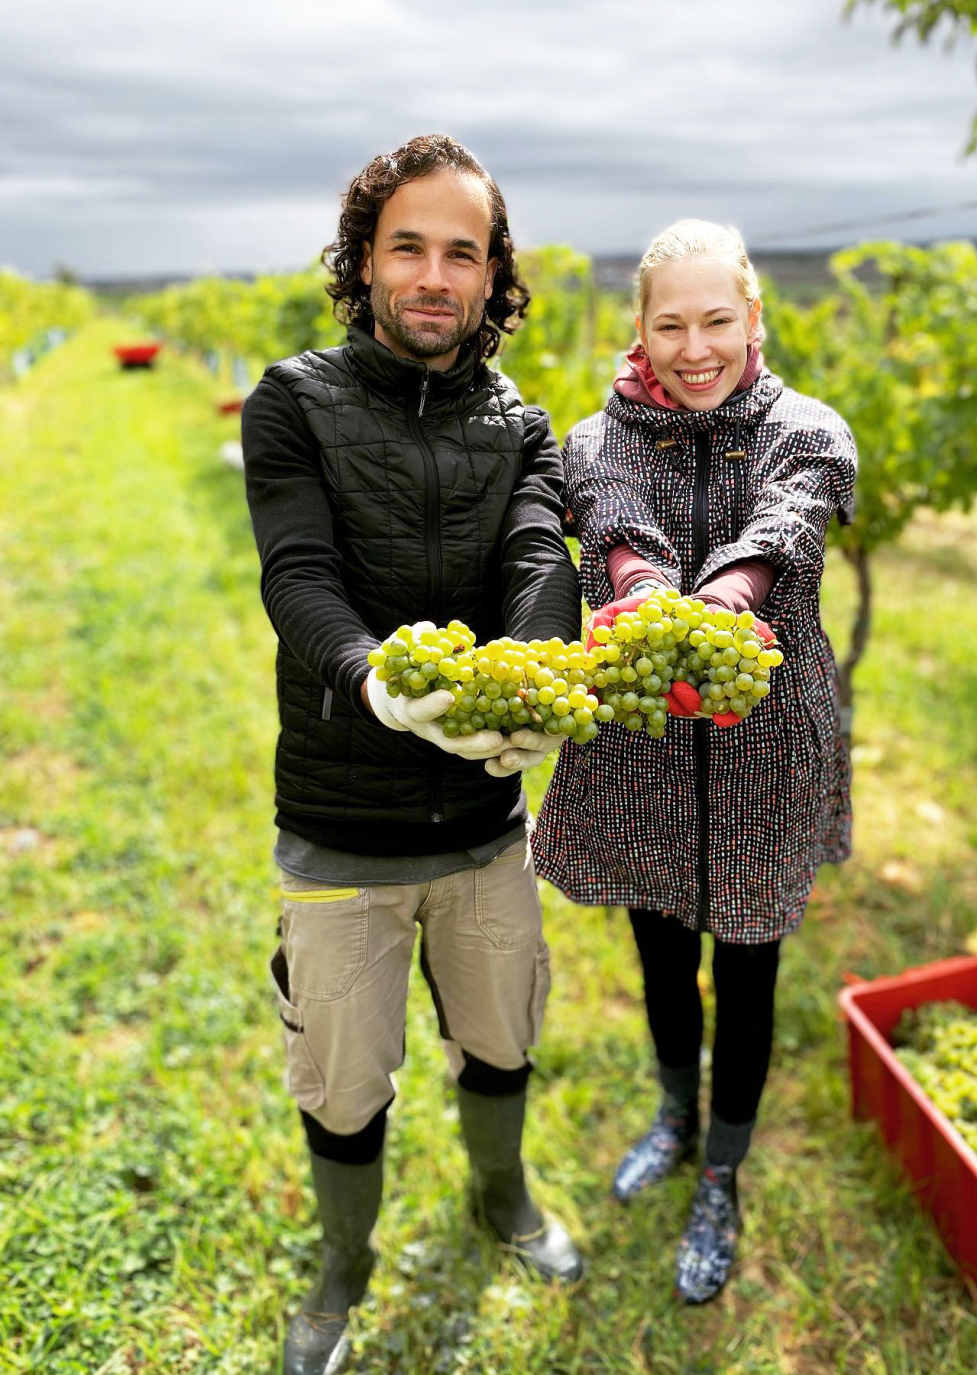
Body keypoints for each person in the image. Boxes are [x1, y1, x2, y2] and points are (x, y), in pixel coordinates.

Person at [241, 134, 583, 1375]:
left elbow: (540, 556)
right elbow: (300, 573)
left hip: (486, 825)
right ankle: (343, 1264)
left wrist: (531, 673)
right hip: (342, 819)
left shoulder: (522, 423)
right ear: (364, 260)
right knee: (342, 1081)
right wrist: (376, 683)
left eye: (463, 251)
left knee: (500, 1036)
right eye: (409, 247)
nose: (435, 274)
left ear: (494, 276)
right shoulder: (293, 399)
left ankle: (502, 1199)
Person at [523, 219, 857, 1304]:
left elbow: (789, 511)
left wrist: (730, 593)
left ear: (752, 317)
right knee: (663, 952)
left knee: (748, 964)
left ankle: (721, 1170)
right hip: (645, 753)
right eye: (668, 324)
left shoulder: (802, 427)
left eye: (715, 319)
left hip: (764, 743)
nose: (693, 345)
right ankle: (672, 1114)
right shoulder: (602, 434)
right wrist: (635, 583)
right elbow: (611, 509)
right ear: (641, 329)